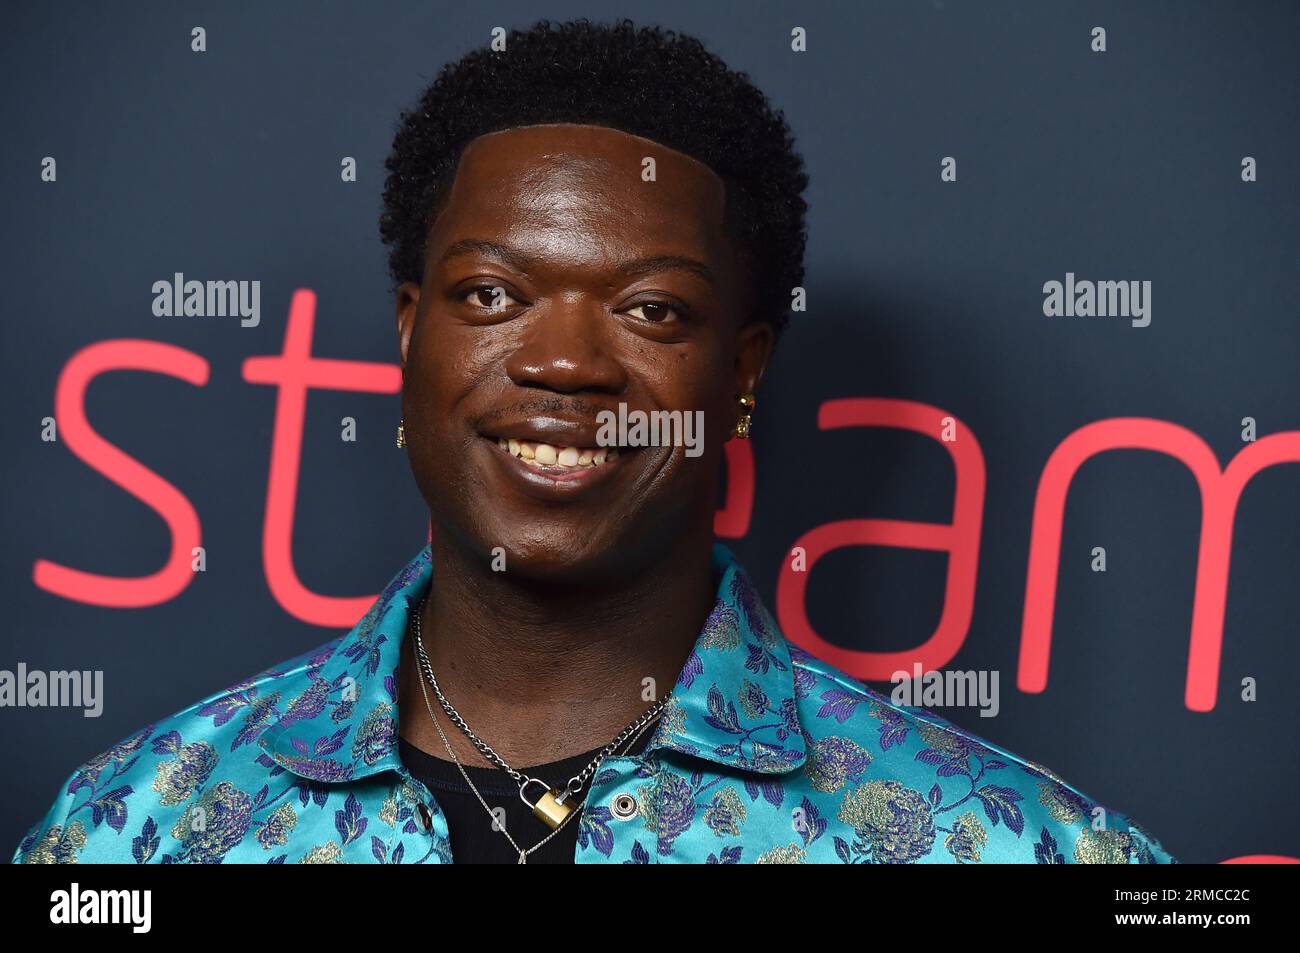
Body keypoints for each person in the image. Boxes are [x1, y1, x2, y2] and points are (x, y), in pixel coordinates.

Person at [14, 18, 1174, 864]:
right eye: (489, 295)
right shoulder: (130, 835)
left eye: (652, 309)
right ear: (409, 334)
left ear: (743, 371)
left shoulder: (1012, 847)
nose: (565, 362)